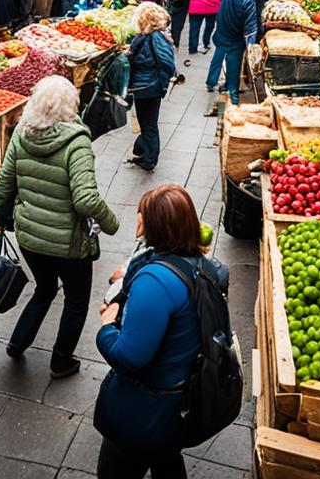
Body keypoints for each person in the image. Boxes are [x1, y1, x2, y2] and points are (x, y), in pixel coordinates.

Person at [0, 76, 119, 378]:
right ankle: (61, 361)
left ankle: (17, 343)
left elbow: (3, 184)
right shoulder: (77, 142)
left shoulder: (22, 133)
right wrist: (111, 222)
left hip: (30, 238)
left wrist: (1, 216)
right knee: (76, 302)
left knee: (45, 288)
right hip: (68, 244)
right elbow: (86, 199)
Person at [95, 184, 215, 479]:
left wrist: (108, 327)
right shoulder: (204, 265)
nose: (139, 221)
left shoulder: (156, 281)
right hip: (180, 389)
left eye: (144, 216)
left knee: (118, 468)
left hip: (147, 406)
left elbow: (129, 356)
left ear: (156, 228)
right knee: (165, 455)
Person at [127, 3, 177, 172]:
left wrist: (160, 85)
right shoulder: (148, 36)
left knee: (148, 124)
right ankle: (143, 149)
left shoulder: (154, 37)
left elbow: (168, 64)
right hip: (146, 86)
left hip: (147, 87)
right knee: (146, 122)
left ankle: (149, 159)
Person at [206, 0, 259, 104]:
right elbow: (250, 20)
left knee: (218, 56)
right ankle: (232, 95)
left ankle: (211, 82)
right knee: (233, 64)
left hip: (223, 30)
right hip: (234, 35)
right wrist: (251, 43)